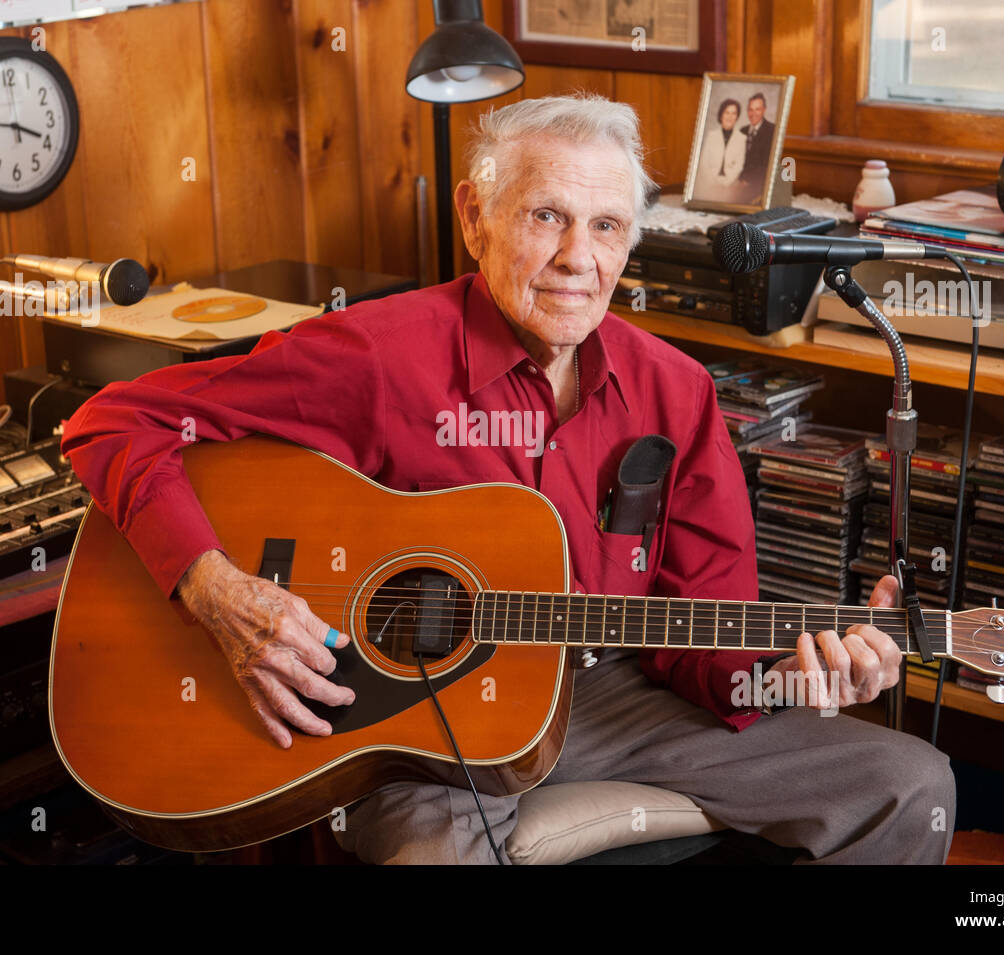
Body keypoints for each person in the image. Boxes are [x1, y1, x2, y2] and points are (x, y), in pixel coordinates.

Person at [60, 93, 954, 865]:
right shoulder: (375, 355)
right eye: (545, 216)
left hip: (604, 696)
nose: (578, 257)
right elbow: (110, 420)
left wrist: (792, 679)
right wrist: (216, 589)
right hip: (406, 729)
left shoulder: (675, 392)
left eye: (606, 227)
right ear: (474, 215)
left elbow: (708, 651)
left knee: (909, 784)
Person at [696, 97, 746, 202]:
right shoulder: (711, 135)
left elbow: (739, 166)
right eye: (727, 112)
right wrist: (713, 182)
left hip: (730, 185)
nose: (730, 116)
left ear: (737, 117)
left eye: (734, 113)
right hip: (709, 183)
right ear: (721, 115)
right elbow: (703, 163)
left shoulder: (742, 138)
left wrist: (725, 183)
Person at [738, 92, 777, 202]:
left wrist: (746, 181)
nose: (753, 113)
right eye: (750, 109)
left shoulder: (773, 131)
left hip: (758, 186)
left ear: (764, 110)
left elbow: (767, 165)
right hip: (739, 182)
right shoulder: (742, 131)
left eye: (757, 109)